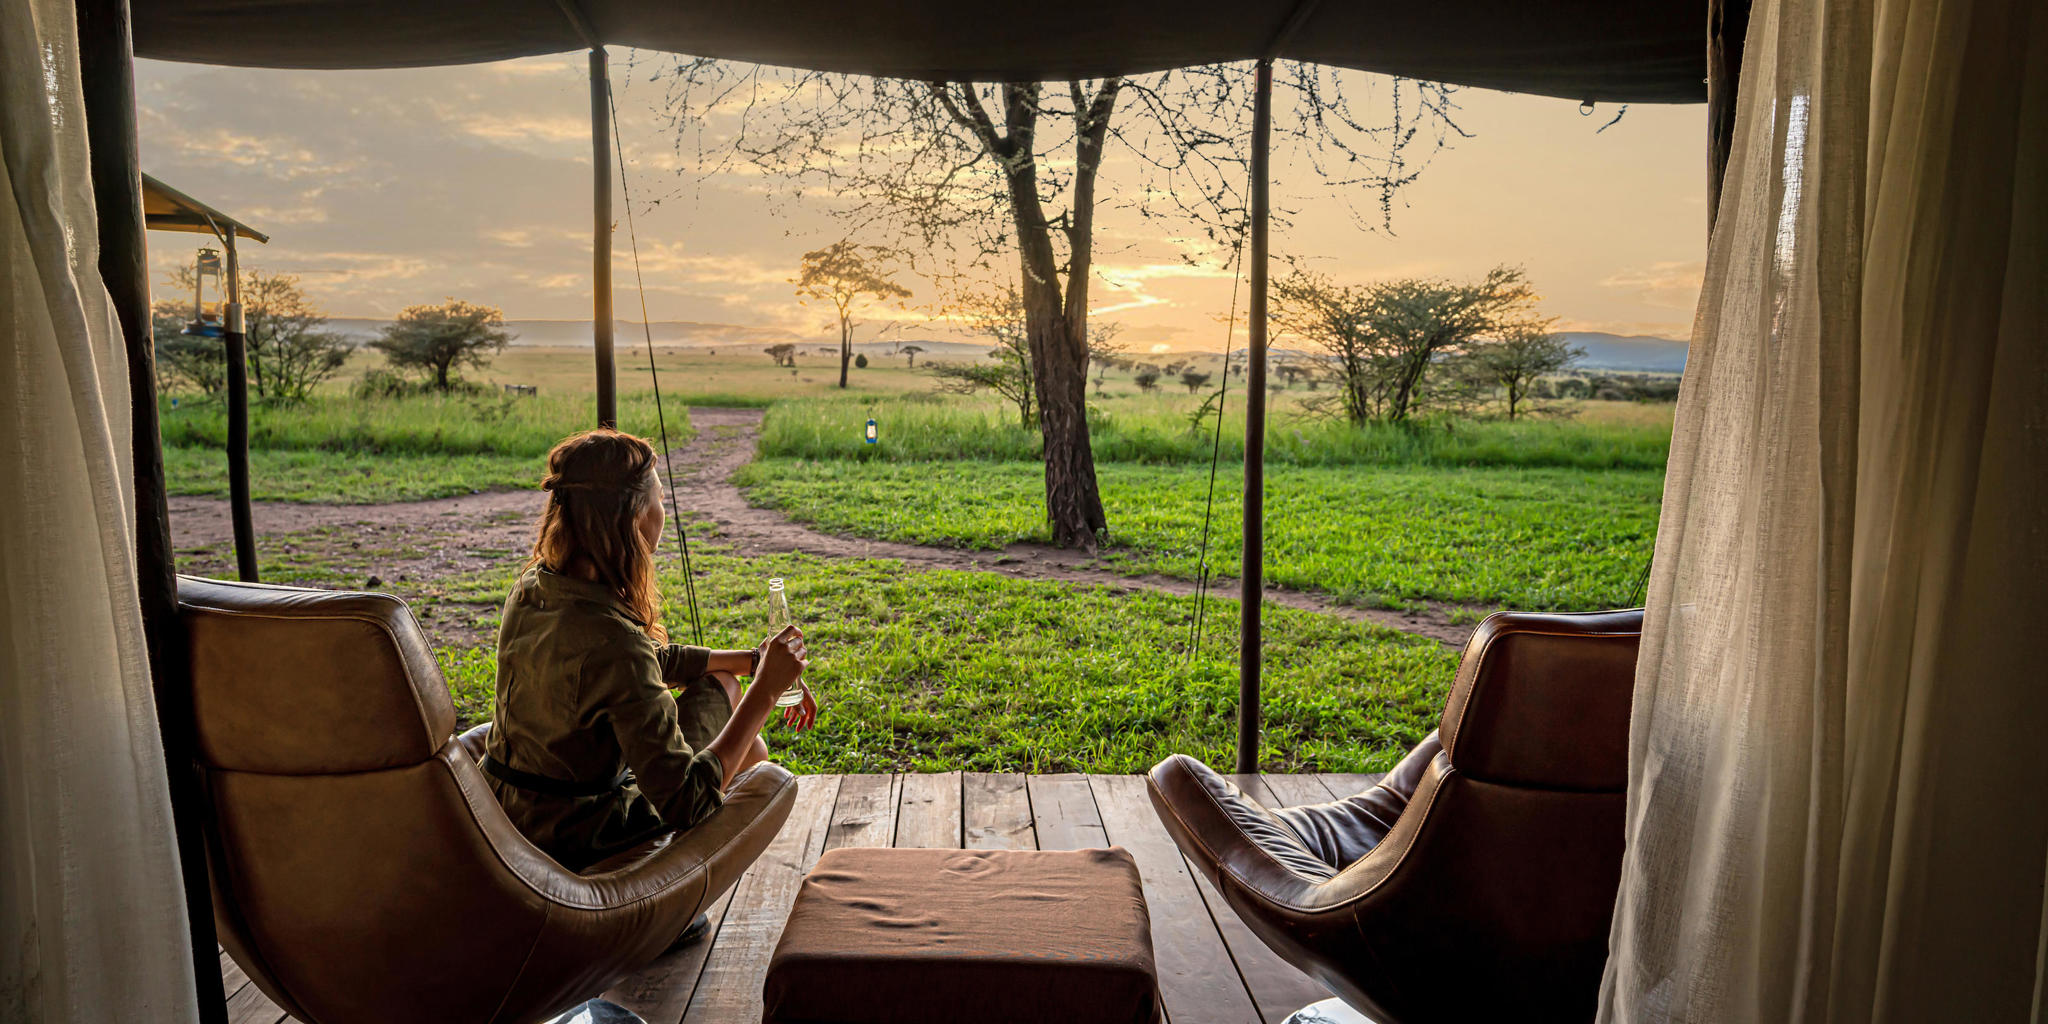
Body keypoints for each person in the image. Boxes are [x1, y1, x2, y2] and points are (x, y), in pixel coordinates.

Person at [474, 428, 817, 882]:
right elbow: (686, 802)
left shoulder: (536, 587)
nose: (664, 513)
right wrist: (767, 691)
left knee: (732, 702)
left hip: (506, 811)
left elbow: (645, 660)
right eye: (659, 499)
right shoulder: (611, 638)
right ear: (634, 517)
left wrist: (753, 662)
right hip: (574, 831)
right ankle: (676, 899)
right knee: (756, 756)